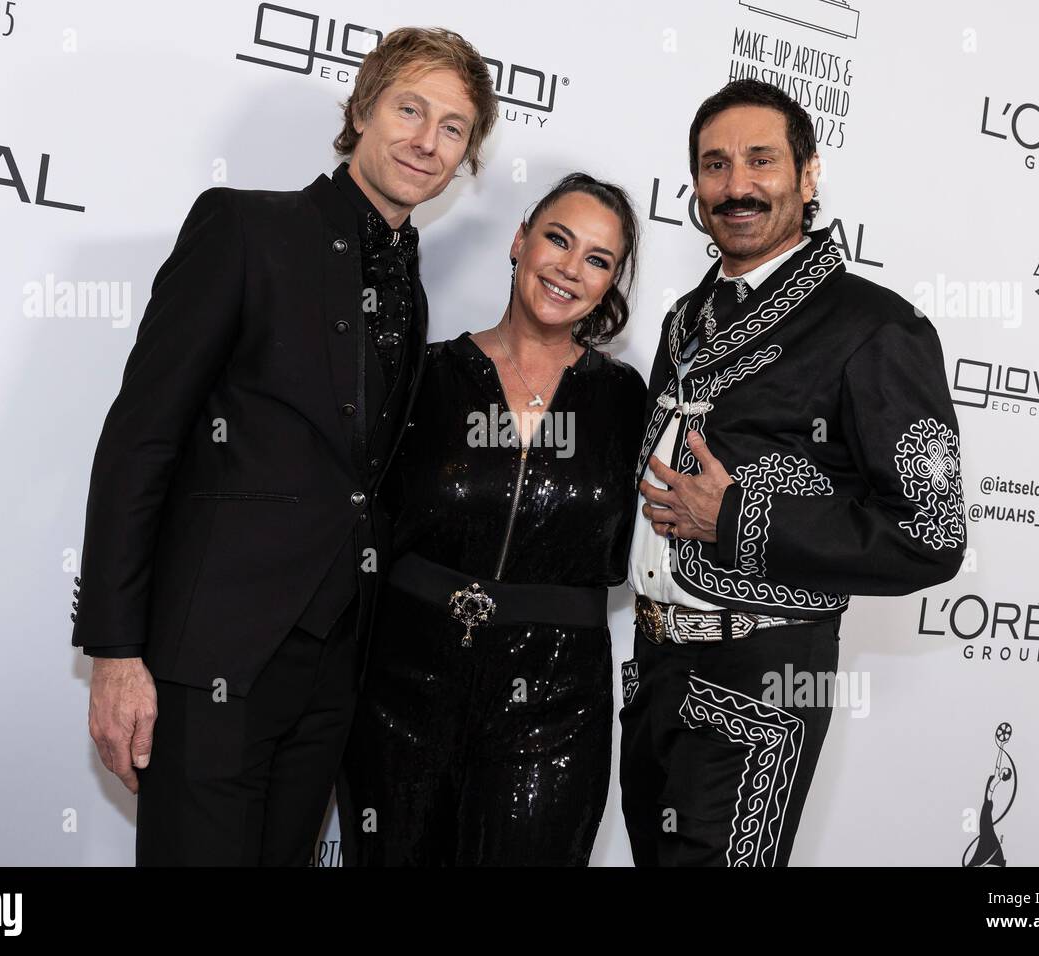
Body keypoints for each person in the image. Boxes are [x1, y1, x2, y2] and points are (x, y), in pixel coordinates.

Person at [69, 27, 499, 865]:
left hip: (334, 672)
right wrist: (116, 653)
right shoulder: (242, 228)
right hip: (215, 654)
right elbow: (139, 440)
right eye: (410, 109)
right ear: (364, 110)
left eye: (453, 128)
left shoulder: (413, 284)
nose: (426, 141)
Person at [620, 78, 967, 866]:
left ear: (808, 177)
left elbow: (933, 536)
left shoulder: (877, 325)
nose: (736, 185)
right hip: (654, 668)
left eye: (760, 161)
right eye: (714, 165)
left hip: (761, 681)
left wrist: (737, 518)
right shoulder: (686, 319)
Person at [340, 173, 646, 866]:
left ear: (609, 285)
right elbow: (362, 526)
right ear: (520, 241)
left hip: (556, 700)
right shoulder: (428, 375)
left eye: (597, 259)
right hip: (404, 686)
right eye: (558, 240)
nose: (570, 268)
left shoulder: (625, 400)